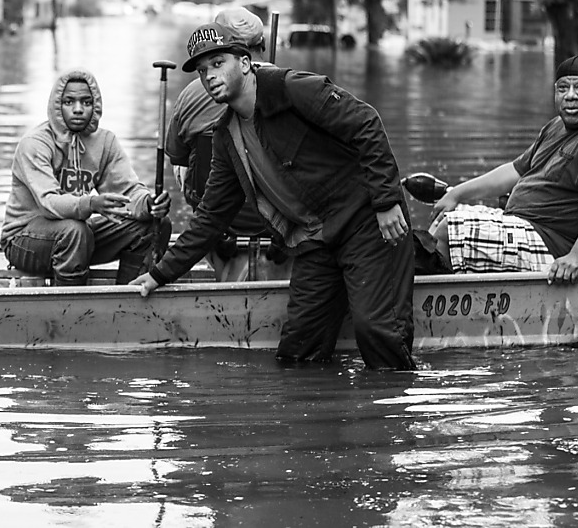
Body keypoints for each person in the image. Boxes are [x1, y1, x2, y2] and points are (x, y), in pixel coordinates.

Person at [131, 23, 416, 370]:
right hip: (316, 241)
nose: (209, 76)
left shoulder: (291, 88)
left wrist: (386, 202)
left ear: (246, 62)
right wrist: (159, 274)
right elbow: (210, 217)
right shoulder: (226, 138)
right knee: (297, 355)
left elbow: (367, 124)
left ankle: (392, 412)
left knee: (377, 334)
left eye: (218, 63)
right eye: (203, 70)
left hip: (368, 221)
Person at [428, 55, 578, 284]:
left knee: (450, 230)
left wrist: (577, 256)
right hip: (525, 226)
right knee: (445, 218)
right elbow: (515, 171)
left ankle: (430, 303)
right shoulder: (557, 125)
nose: (570, 96)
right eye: (563, 88)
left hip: (555, 246)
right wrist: (456, 193)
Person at [1, 68, 171, 286]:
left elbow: (128, 192)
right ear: (57, 106)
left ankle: (128, 301)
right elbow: (49, 204)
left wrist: (149, 204)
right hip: (24, 240)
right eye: (69, 102)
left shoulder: (105, 142)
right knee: (74, 231)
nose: (78, 109)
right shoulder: (35, 144)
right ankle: (73, 311)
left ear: (96, 106)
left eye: (86, 102)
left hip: (76, 235)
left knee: (155, 225)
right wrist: (91, 203)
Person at [165, 7, 289, 282]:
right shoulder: (288, 84)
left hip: (220, 216)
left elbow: (178, 161)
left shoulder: (191, 94)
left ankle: (218, 242)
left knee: (183, 166)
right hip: (276, 216)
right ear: (261, 46)